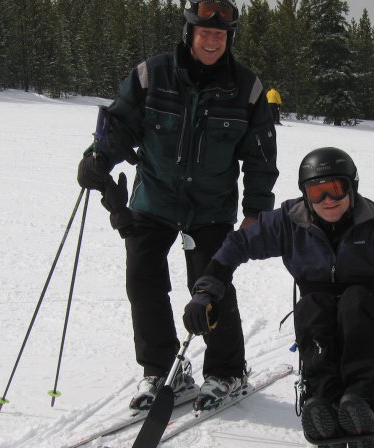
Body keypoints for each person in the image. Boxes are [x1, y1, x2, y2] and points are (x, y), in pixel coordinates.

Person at [182, 147, 374, 448]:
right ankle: (322, 402)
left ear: (352, 187)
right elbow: (238, 244)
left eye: (336, 189)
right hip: (321, 314)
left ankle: (361, 399)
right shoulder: (290, 221)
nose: (328, 200)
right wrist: (207, 289)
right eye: (317, 192)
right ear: (305, 194)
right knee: (312, 307)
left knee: (353, 302)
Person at [76, 0, 279, 413]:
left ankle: (227, 370)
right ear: (189, 32)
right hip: (155, 197)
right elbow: (120, 122)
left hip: (211, 206)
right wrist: (98, 157)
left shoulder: (247, 88)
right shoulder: (153, 75)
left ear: (230, 38)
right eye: (205, 32)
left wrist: (256, 210)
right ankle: (163, 368)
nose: (212, 40)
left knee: (210, 283)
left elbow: (261, 156)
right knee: (143, 279)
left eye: (220, 35)